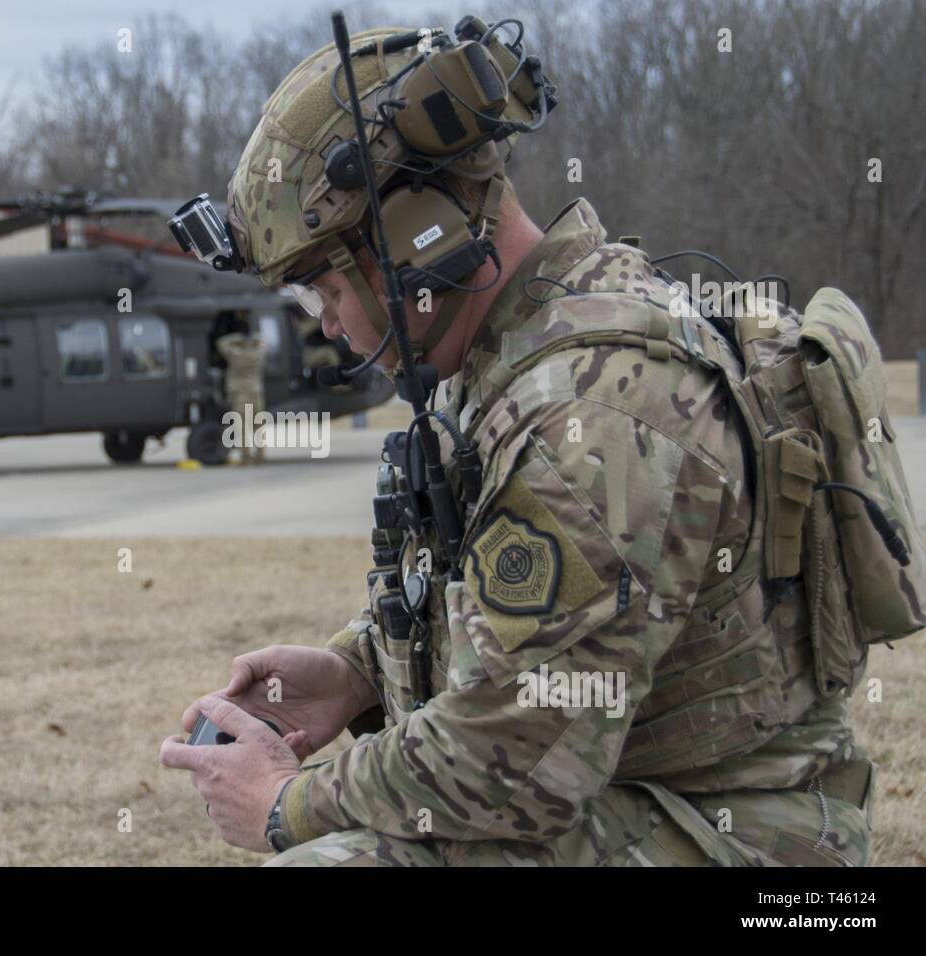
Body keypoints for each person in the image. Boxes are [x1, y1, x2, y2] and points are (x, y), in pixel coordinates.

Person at [161, 22, 881, 866]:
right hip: (643, 794)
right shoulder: (520, 345)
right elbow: (513, 626)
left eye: (325, 285)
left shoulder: (599, 411)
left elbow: (514, 764)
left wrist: (287, 805)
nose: (327, 324)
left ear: (413, 235)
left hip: (750, 839)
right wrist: (355, 670)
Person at [215, 320, 268, 464]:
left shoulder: (235, 353)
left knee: (241, 427)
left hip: (240, 395)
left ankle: (246, 457)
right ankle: (261, 455)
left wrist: (237, 337)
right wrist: (254, 339)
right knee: (258, 426)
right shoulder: (258, 353)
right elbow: (264, 343)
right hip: (256, 393)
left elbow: (221, 343)